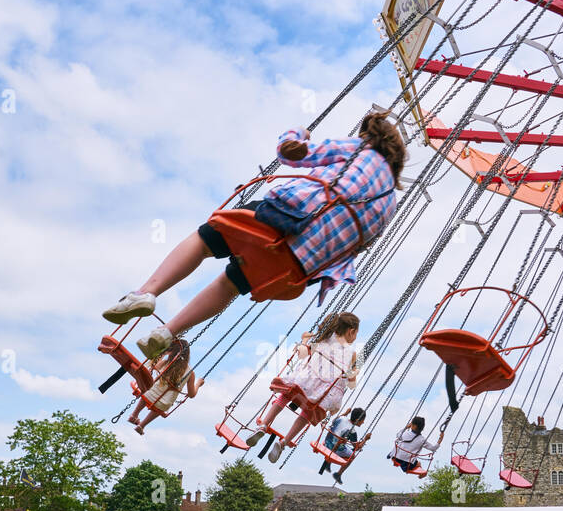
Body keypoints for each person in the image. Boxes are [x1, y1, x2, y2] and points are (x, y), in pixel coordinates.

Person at [103, 113, 406, 360]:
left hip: (282, 220)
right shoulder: (391, 203)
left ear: (372, 138)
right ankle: (167, 332)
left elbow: (291, 154)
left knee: (206, 239)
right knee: (231, 284)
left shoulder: (359, 150)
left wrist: (298, 131)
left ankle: (147, 293)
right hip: (298, 269)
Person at [263, 313, 361, 463]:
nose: (355, 338)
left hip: (303, 384)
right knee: (308, 413)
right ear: (351, 331)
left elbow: (302, 355)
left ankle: (263, 425)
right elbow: (351, 384)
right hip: (319, 397)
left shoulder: (325, 338)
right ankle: (283, 442)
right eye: (356, 334)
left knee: (287, 394)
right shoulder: (352, 355)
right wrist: (354, 374)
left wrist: (304, 341)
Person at [128, 338, 205, 435]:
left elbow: (152, 368)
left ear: (172, 351)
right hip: (163, 404)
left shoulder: (166, 362)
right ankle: (141, 425)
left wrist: (163, 354)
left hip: (148, 394)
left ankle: (134, 414)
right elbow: (191, 394)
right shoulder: (190, 373)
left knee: (148, 391)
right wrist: (198, 384)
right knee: (162, 404)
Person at [319, 407, 366, 483]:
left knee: (341, 442)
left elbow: (334, 420)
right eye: (362, 420)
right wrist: (365, 439)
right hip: (334, 449)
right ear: (357, 420)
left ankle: (328, 463)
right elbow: (357, 447)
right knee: (352, 455)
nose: (363, 422)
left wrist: (346, 413)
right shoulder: (352, 431)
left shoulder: (342, 418)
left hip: (326, 442)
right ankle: (338, 474)